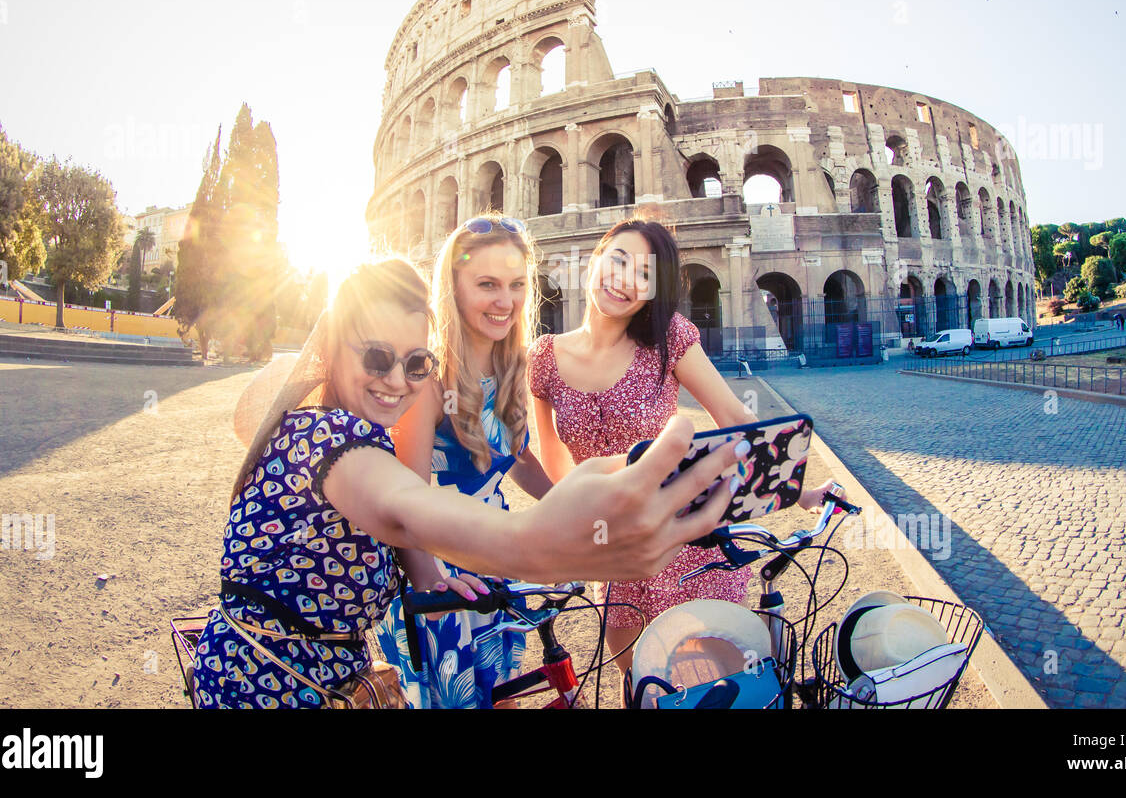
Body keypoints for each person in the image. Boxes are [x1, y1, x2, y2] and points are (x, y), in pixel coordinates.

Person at [189, 257, 749, 708]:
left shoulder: (343, 430)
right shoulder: (330, 438)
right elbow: (405, 508)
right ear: (331, 348)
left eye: (415, 363)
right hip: (267, 685)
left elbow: (478, 477)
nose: (396, 381)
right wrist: (557, 542)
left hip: (323, 674)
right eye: (377, 357)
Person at [528, 219, 834, 676]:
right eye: (619, 259)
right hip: (613, 550)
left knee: (715, 684)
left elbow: (736, 420)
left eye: (646, 275)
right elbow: (553, 458)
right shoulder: (545, 356)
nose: (627, 279)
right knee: (641, 683)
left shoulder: (669, 337)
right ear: (596, 257)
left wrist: (797, 490)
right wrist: (565, 523)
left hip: (688, 540)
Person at [377, 215, 556, 708]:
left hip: (492, 552)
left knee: (500, 696)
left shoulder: (511, 364)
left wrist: (574, 508)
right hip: (438, 568)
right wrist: (433, 590)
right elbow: (403, 506)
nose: (506, 301)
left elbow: (518, 458)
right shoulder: (426, 381)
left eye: (518, 285)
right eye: (487, 285)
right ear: (453, 288)